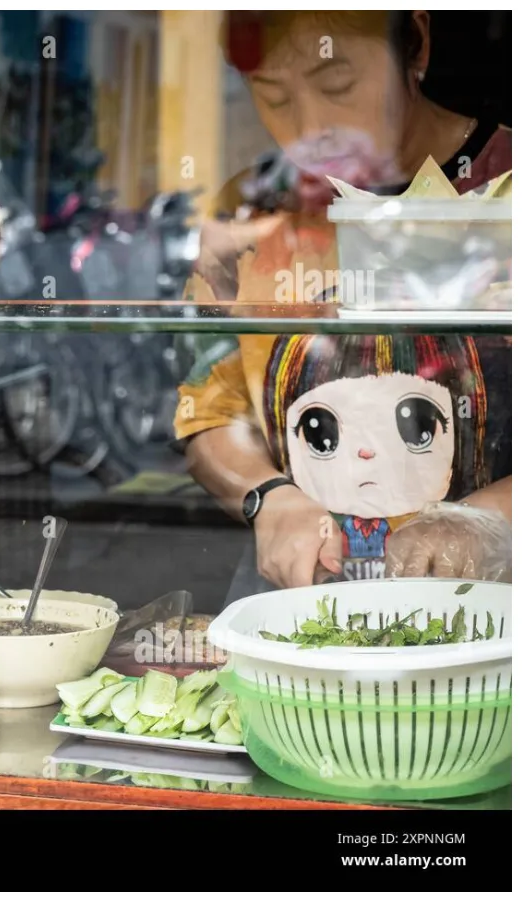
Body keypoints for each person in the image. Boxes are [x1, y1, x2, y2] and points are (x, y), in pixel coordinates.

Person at [174, 11, 512, 596]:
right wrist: (268, 497)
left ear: (418, 43)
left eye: (337, 85)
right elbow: (209, 407)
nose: (310, 128)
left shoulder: (509, 186)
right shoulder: (252, 214)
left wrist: (491, 517)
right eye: (273, 96)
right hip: (301, 602)